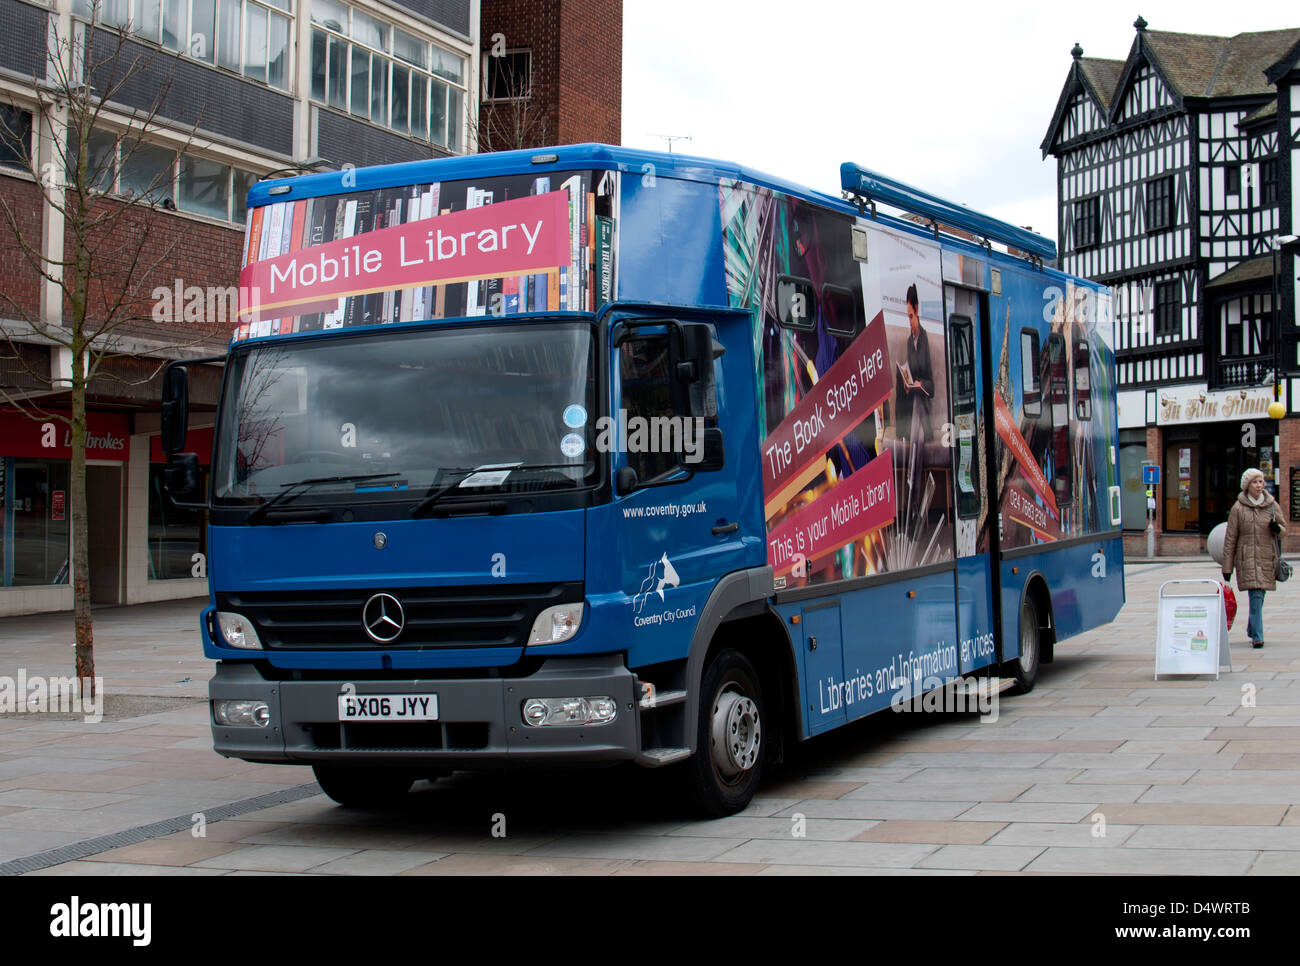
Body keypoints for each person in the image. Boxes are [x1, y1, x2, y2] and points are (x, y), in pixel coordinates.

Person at [1222, 468, 1286, 648]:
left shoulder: (1272, 505)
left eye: (1261, 481)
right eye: (1255, 482)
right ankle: (1257, 636)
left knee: (1260, 594)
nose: (1259, 485)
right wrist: (1227, 569)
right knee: (1256, 594)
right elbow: (1230, 539)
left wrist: (1277, 529)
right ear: (1247, 486)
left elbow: (1283, 529)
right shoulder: (1238, 508)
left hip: (1267, 557)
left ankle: (1252, 627)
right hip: (1247, 558)